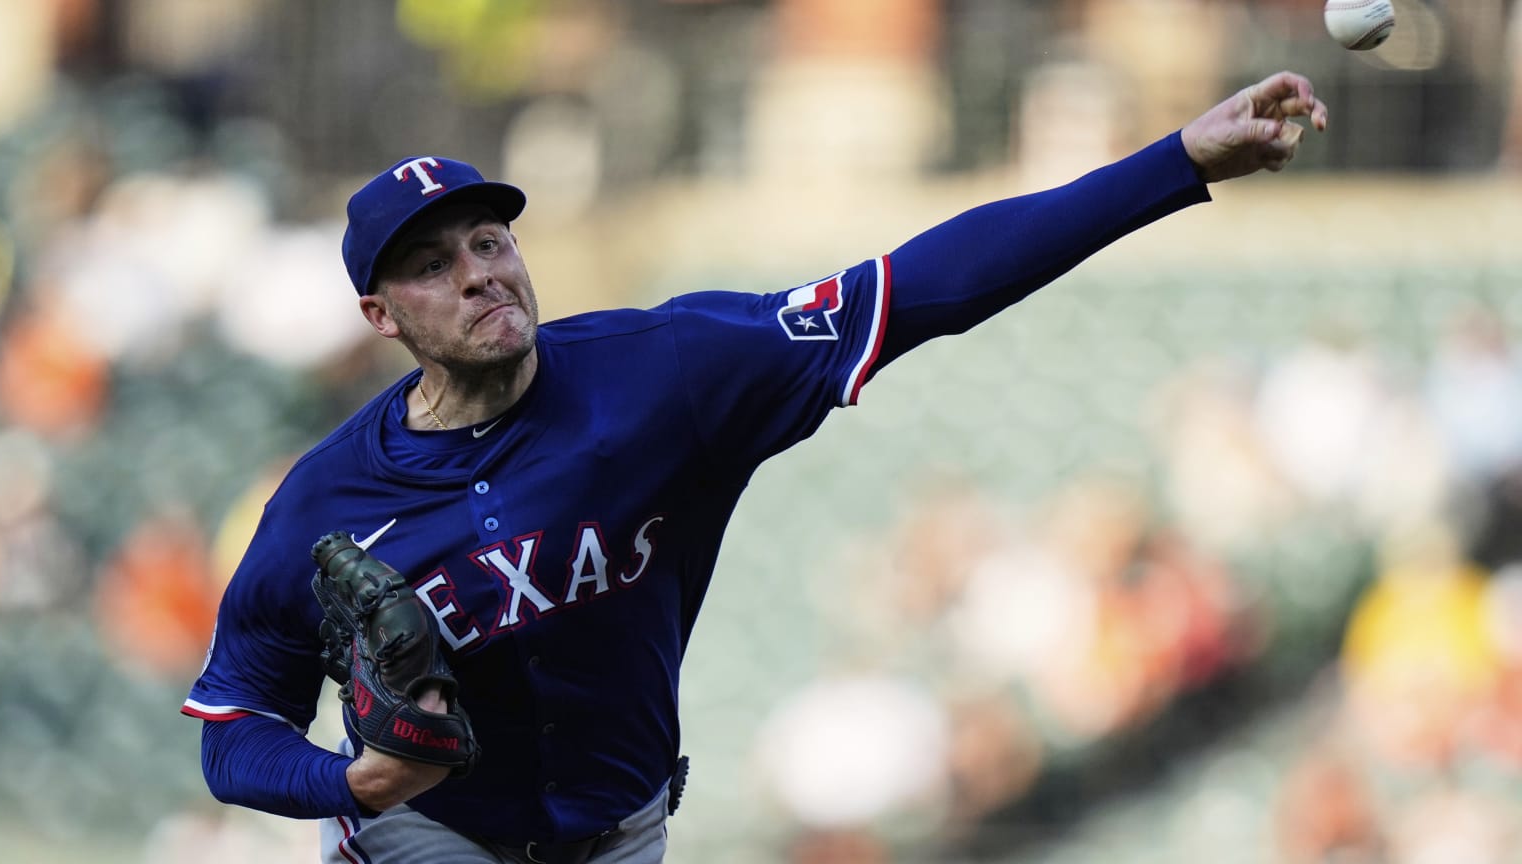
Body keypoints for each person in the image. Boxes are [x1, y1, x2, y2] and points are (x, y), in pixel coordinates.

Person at [181, 71, 1330, 864]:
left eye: (491, 240)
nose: (481, 272)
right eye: (434, 265)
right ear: (382, 316)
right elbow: (234, 724)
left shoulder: (666, 372)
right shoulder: (326, 502)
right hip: (429, 836)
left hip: (620, 826)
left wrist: (1178, 162)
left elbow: (922, 285)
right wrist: (351, 787)